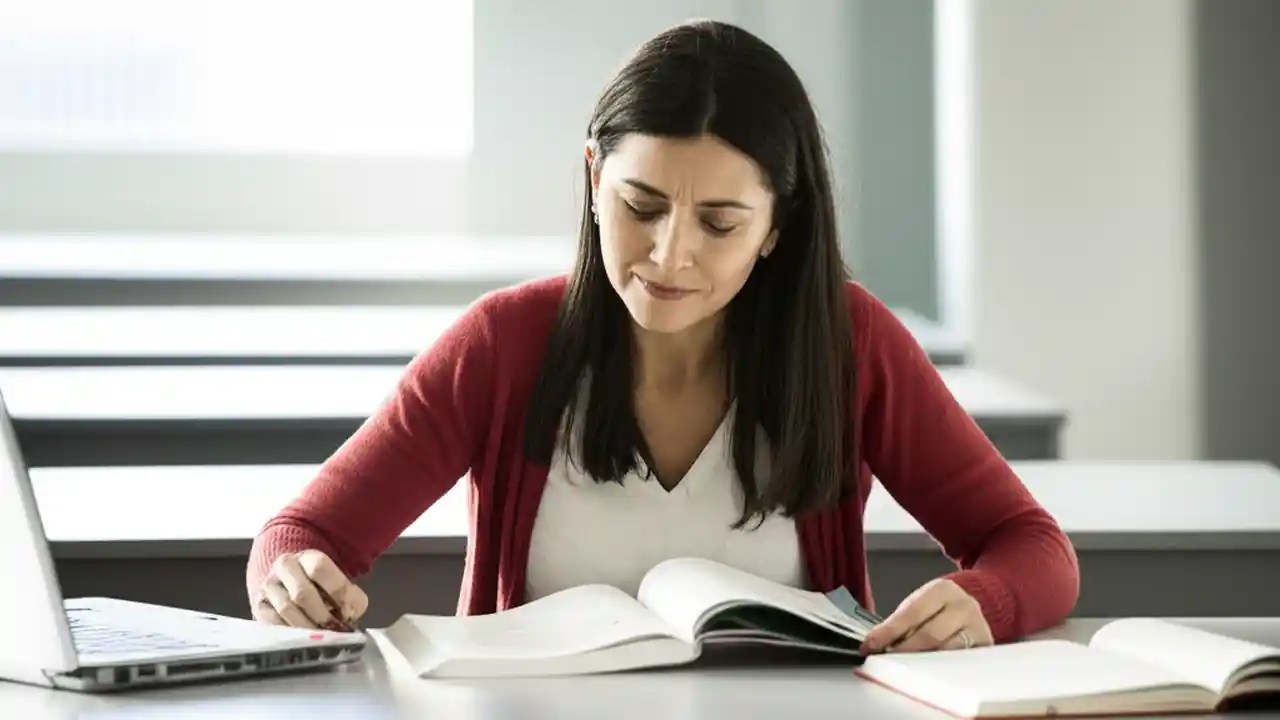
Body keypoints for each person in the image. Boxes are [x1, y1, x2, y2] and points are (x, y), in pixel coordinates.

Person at [246, 19, 1079, 654]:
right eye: (640, 207)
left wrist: (984, 602)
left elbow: (1032, 548)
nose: (669, 255)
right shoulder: (502, 345)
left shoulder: (849, 342)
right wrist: (291, 580)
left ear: (777, 227)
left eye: (720, 223)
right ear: (594, 177)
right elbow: (302, 537)